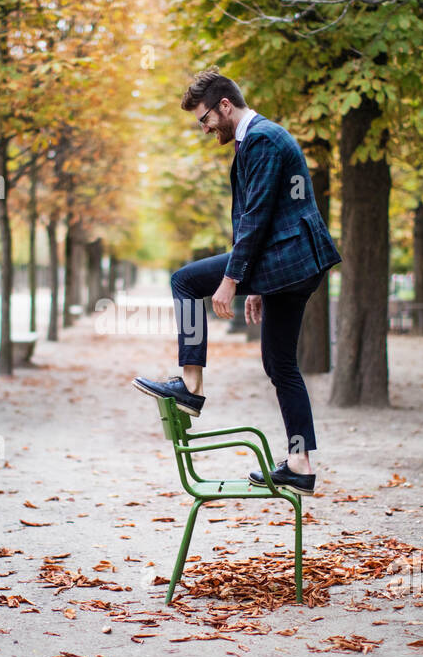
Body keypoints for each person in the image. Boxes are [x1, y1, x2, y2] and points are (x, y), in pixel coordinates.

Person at [133, 70, 342, 495]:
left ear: (224, 106)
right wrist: (262, 285)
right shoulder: (255, 140)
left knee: (186, 283)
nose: (204, 128)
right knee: (280, 363)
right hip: (295, 263)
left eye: (204, 119)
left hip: (291, 257)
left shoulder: (262, 139)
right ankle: (300, 463)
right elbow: (272, 215)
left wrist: (232, 280)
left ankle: (190, 386)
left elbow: (258, 217)